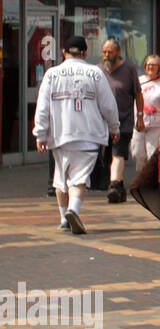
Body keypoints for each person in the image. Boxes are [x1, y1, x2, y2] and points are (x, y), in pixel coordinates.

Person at [32, 36, 119, 236]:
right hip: (88, 135)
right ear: (86, 53)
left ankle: (64, 218)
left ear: (64, 52)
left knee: (60, 178)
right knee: (79, 179)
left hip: (60, 135)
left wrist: (40, 134)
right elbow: (108, 105)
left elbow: (42, 107)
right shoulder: (95, 73)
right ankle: (73, 210)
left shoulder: (52, 74)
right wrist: (114, 128)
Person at [100, 38, 144, 204]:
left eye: (110, 52)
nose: (106, 55)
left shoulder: (129, 70)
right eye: (104, 52)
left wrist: (140, 116)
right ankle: (120, 189)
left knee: (117, 154)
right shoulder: (98, 71)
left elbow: (138, 94)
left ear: (118, 53)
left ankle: (114, 185)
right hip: (102, 123)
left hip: (123, 122)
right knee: (107, 157)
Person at [131, 54, 160, 172]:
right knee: (137, 153)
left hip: (157, 125)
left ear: (159, 67)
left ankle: (149, 180)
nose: (151, 67)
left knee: (152, 155)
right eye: (149, 65)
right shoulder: (139, 80)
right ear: (145, 66)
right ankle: (141, 176)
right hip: (139, 123)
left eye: (154, 65)